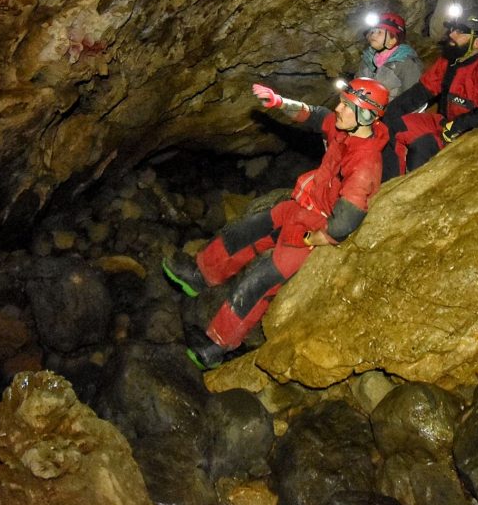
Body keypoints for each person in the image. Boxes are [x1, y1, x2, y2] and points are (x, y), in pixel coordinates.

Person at [163, 77, 391, 369]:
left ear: (367, 115)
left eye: (347, 106)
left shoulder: (365, 162)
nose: (338, 108)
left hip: (316, 225)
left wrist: (314, 239)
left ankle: (217, 345)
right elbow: (314, 115)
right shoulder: (345, 127)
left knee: (259, 280)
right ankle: (200, 273)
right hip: (300, 208)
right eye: (343, 102)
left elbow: (346, 219)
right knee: (244, 231)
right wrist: (280, 102)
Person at [382, 2, 478, 179]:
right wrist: (387, 112)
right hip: (444, 122)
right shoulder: (450, 61)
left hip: (468, 133)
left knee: (422, 147)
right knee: (391, 125)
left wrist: (461, 124)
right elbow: (421, 92)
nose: (451, 34)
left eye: (460, 31)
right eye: (453, 28)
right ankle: (388, 184)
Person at [355, 10, 424, 100]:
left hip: (395, 111)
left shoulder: (406, 63)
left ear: (392, 40)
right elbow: (357, 84)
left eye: (379, 32)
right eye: (372, 32)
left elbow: (414, 96)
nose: (373, 35)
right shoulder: (367, 60)